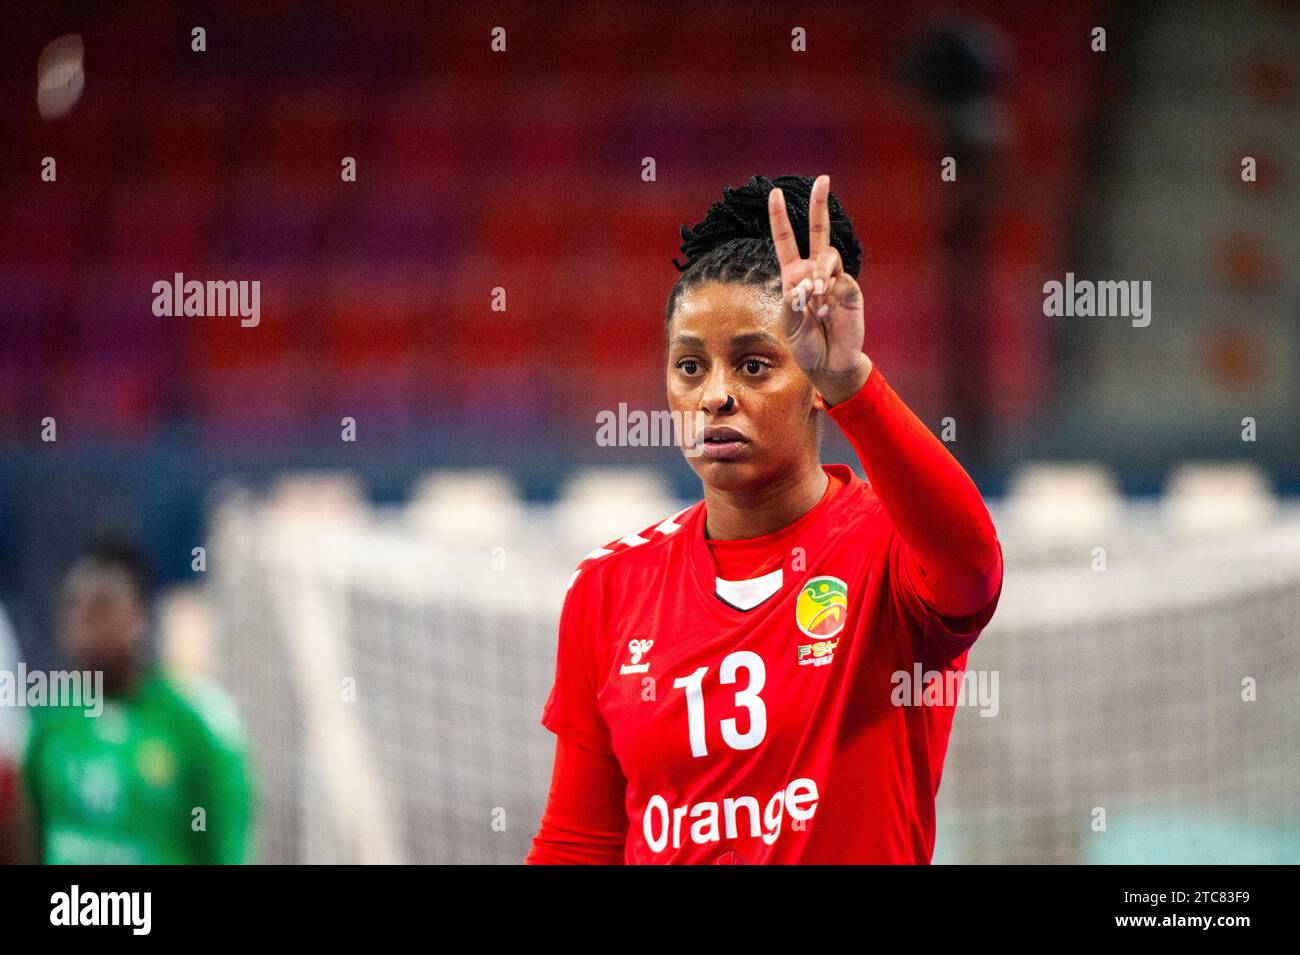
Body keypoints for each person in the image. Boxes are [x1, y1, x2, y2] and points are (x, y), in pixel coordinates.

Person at [527, 175, 1003, 864]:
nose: (715, 395)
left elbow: (973, 564)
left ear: (810, 383)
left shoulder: (889, 546)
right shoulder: (607, 589)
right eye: (690, 366)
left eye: (754, 364)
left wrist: (852, 382)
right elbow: (579, 842)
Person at [22, 539, 255, 864]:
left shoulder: (197, 728)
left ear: (140, 617)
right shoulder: (50, 723)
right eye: (74, 610)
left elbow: (225, 850)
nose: (86, 629)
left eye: (102, 610)